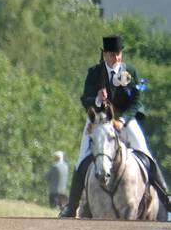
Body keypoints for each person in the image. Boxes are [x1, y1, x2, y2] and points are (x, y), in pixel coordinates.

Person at [59, 34, 170, 217]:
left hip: (125, 119)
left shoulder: (130, 72)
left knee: (145, 152)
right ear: (105, 55)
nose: (116, 58)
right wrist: (97, 99)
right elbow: (84, 98)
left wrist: (123, 119)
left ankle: (166, 197)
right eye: (112, 54)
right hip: (99, 120)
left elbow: (136, 100)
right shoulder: (94, 72)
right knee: (82, 159)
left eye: (118, 54)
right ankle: (72, 206)